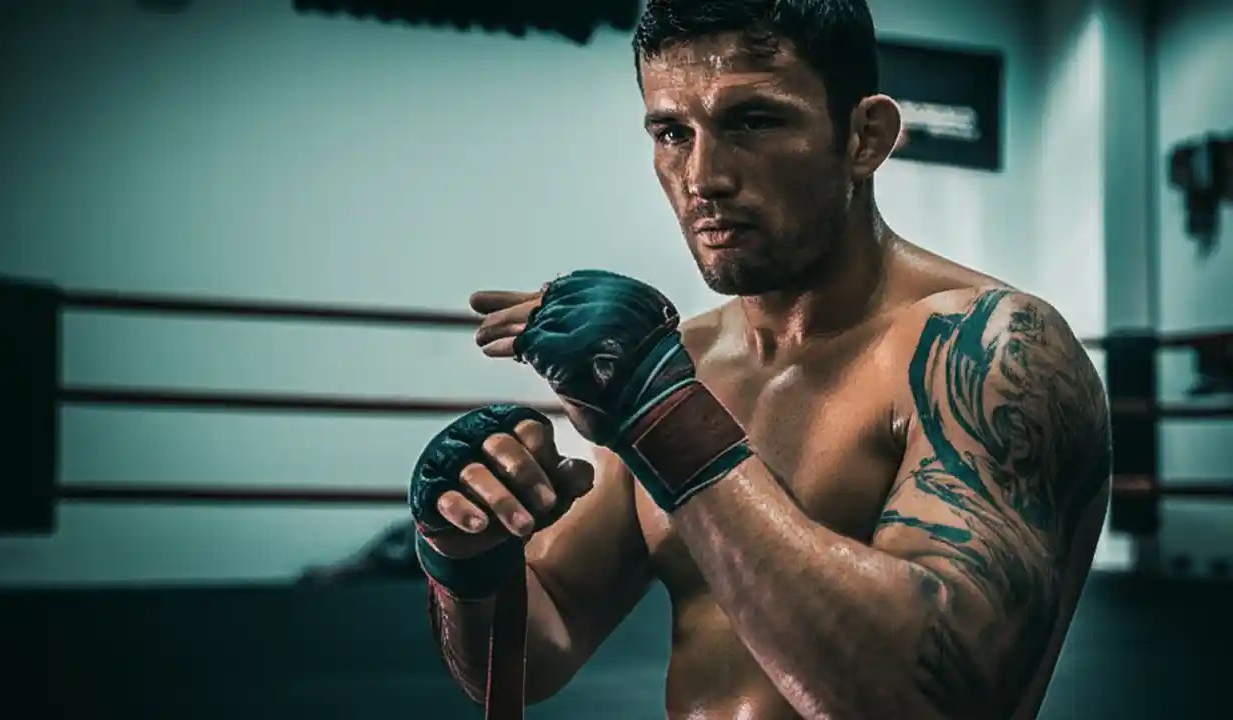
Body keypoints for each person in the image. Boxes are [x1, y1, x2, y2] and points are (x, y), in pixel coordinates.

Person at [406, 1, 1113, 718]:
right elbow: (540, 639)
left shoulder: (983, 349)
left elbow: (935, 700)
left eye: (753, 121)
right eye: (672, 133)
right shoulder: (682, 364)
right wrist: (465, 555)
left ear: (864, 137)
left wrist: (667, 422)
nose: (703, 176)